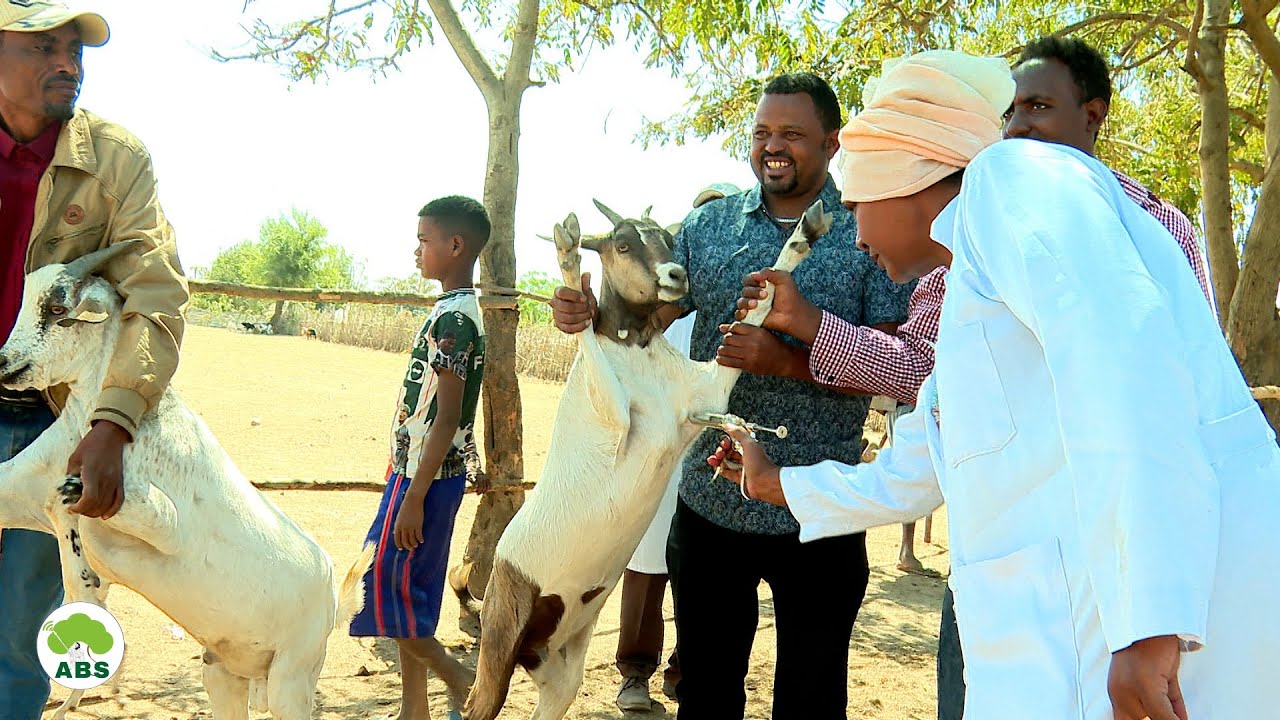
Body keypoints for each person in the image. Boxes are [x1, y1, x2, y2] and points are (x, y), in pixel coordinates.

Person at [715, 48, 1280, 720]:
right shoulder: (968, 298)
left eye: (858, 202)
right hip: (1086, 630)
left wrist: (1150, 617)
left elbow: (1122, 354)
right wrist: (773, 481)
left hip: (1173, 609)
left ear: (908, 176)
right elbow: (915, 467)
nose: (857, 234)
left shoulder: (1013, 179)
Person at [553, 73, 914, 719]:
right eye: (762, 133)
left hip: (821, 505)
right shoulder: (706, 227)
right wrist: (590, 313)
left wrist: (787, 358)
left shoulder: (868, 228)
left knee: (810, 698)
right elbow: (643, 327)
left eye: (792, 135)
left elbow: (895, 366)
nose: (773, 147)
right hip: (709, 505)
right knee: (707, 693)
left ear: (832, 143)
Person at [0, 4, 189, 717]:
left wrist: (110, 425)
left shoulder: (118, 160)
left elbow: (156, 298)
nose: (67, 64)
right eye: (44, 45)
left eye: (75, 49)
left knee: (17, 643)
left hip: (50, 427)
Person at [349, 196, 489, 720]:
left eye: (425, 240)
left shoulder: (456, 321)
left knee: (382, 587)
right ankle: (415, 710)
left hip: (425, 483)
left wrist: (414, 497)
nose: (417, 250)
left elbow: (447, 418)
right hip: (415, 477)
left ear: (455, 246)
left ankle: (459, 678)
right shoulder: (448, 310)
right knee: (409, 593)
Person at [613, 182, 738, 712]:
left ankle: (687, 672)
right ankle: (634, 673)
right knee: (645, 562)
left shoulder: (731, 307)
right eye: (696, 223)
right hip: (657, 449)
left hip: (712, 455)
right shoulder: (657, 309)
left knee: (702, 575)